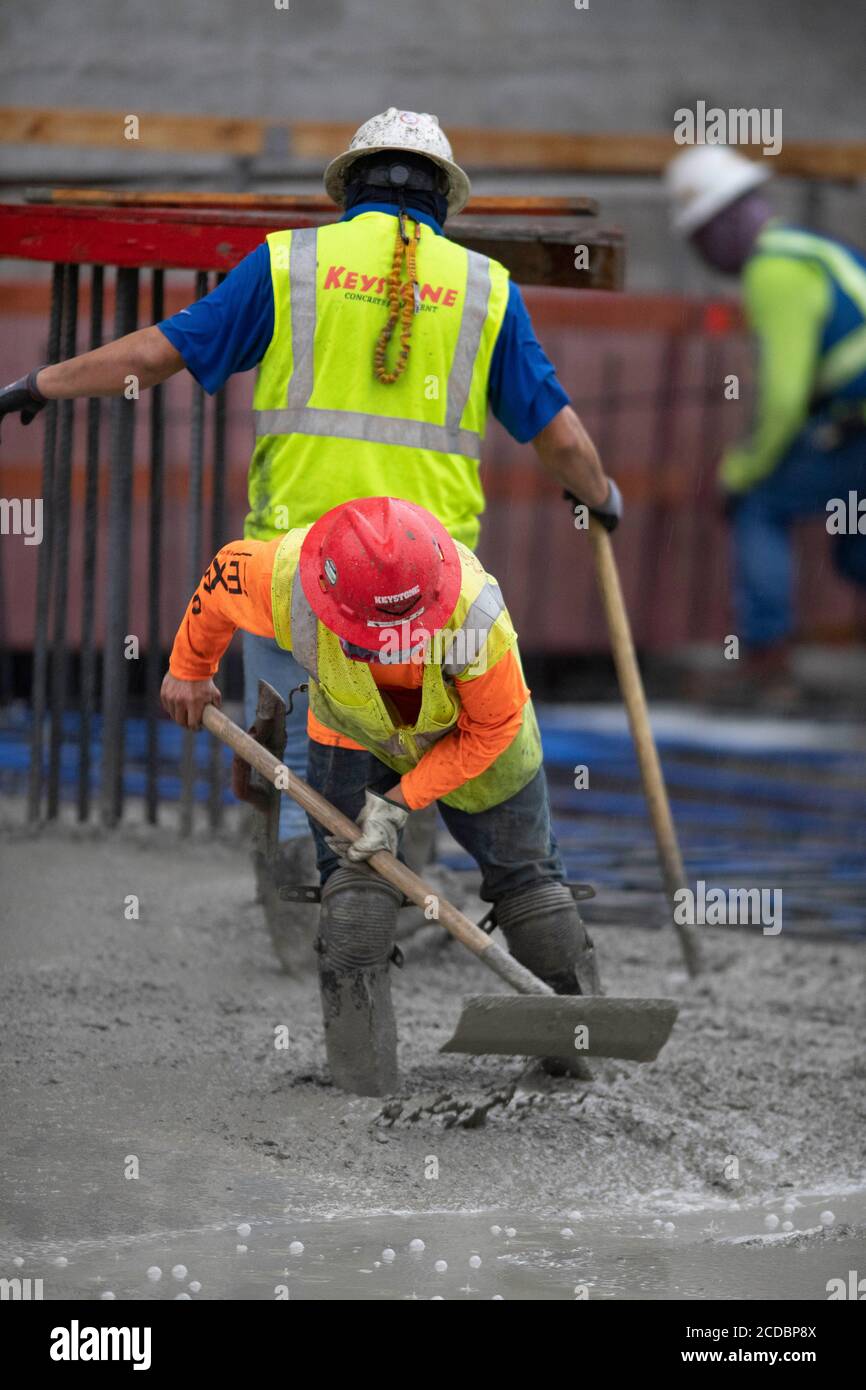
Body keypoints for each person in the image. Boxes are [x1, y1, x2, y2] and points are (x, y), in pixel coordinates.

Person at [1, 107, 620, 943]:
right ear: (442, 199)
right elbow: (564, 438)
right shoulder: (484, 289)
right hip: (432, 590)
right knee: (424, 750)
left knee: (305, 764)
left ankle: (319, 940)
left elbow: (154, 356)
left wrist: (42, 381)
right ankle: (413, 909)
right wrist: (603, 496)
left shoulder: (290, 262)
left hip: (301, 574)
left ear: (349, 188)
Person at [160, 496, 608, 1095]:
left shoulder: (478, 620)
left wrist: (401, 800)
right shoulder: (289, 578)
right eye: (373, 642)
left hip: (478, 742)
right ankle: (362, 1084)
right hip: (353, 730)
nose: (393, 651)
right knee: (354, 906)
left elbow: (494, 728)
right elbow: (221, 577)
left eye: (405, 639)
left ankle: (575, 1067)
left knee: (531, 893)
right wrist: (190, 668)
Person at [667, 146, 866, 700]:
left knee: (759, 503)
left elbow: (783, 400)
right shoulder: (810, 251)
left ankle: (768, 664)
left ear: (725, 222)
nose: (704, 251)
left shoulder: (773, 270)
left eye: (702, 236)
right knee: (855, 546)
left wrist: (740, 470)